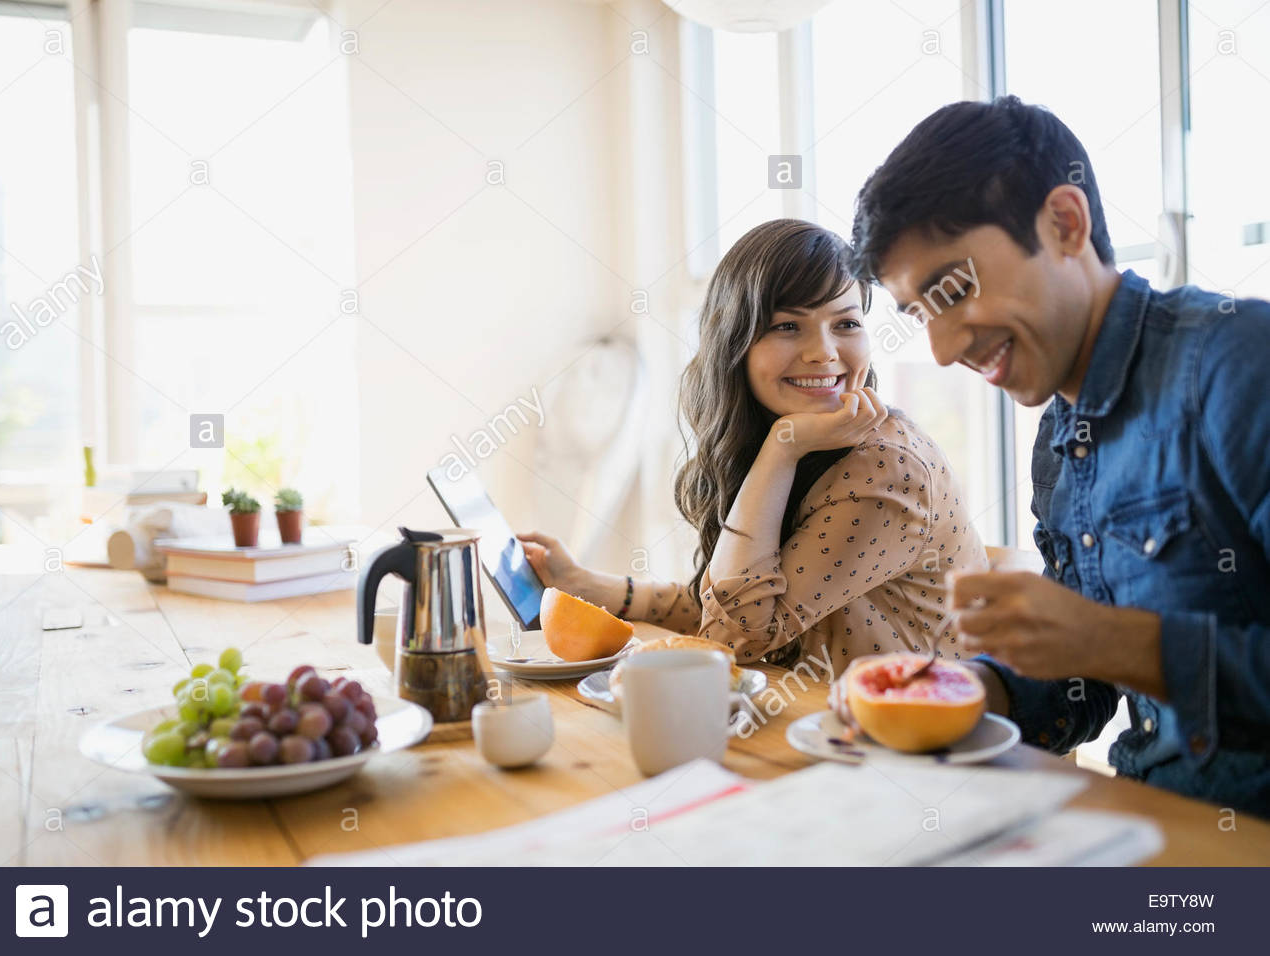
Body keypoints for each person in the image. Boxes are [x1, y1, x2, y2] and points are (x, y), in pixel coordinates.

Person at [848, 95, 1270, 816]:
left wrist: (1123, 642)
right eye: (919, 315)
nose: (944, 350)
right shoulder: (1059, 437)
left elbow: (1110, 645)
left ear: (1065, 224)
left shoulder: (1238, 365)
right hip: (1149, 832)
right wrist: (978, 688)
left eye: (952, 288)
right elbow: (1088, 681)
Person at [520, 218, 987, 675]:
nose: (824, 352)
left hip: (921, 742)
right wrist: (585, 585)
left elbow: (734, 637)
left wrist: (782, 448)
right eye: (788, 327)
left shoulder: (885, 468)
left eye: (845, 324)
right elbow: (728, 600)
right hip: (833, 732)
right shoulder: (805, 442)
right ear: (734, 343)